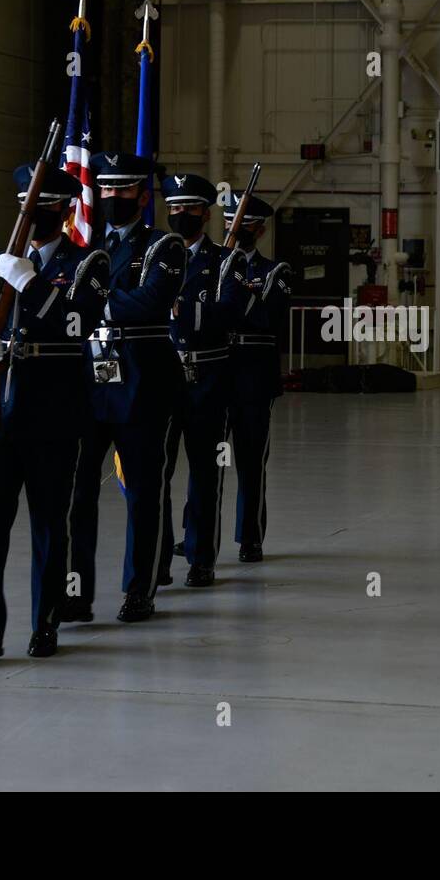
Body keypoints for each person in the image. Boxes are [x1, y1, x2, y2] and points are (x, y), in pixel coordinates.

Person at [0, 164, 109, 659]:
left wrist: (33, 285)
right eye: (23, 203)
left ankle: (46, 623)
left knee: (47, 524)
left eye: (39, 203)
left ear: (62, 211)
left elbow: (79, 324)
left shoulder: (88, 263)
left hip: (54, 414)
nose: (29, 211)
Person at [64, 152, 186, 625]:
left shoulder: (164, 247)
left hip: (143, 384)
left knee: (142, 492)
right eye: (107, 189)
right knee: (78, 495)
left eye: (123, 190)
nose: (114, 197)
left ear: (141, 194)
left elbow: (151, 303)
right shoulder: (85, 247)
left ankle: (140, 589)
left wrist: (93, 303)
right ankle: (77, 591)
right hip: (89, 385)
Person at [163, 172, 251, 587]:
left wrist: (180, 310)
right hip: (160, 376)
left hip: (208, 376)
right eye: (174, 208)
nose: (181, 214)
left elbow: (232, 310)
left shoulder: (225, 261)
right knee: (152, 473)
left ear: (205, 212)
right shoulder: (152, 256)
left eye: (189, 208)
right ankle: (157, 556)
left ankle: (201, 558)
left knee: (204, 470)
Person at [221, 193, 293, 563]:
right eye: (230, 221)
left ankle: (250, 536)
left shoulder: (274, 272)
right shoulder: (208, 265)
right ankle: (198, 534)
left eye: (243, 224)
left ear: (260, 230)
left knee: (250, 461)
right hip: (215, 372)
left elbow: (265, 317)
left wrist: (229, 283)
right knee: (208, 463)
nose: (234, 229)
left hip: (253, 377)